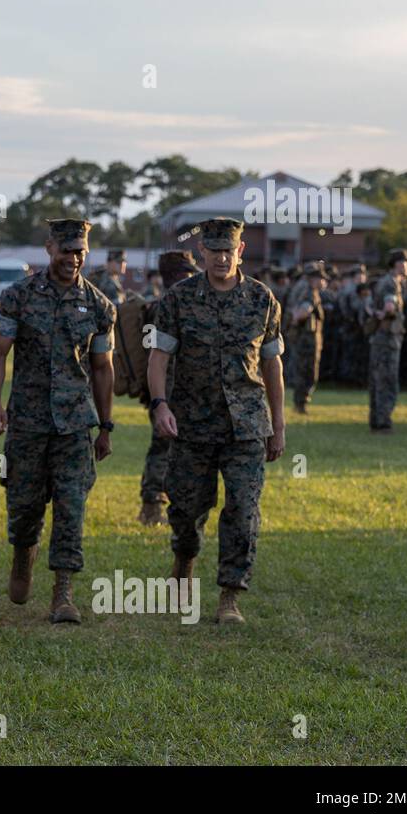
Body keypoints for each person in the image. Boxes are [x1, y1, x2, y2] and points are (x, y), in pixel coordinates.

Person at [147, 218, 286, 624]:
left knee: (243, 509)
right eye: (214, 251)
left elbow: (272, 366)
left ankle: (230, 596)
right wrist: (160, 404)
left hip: (246, 425)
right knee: (187, 509)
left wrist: (278, 425)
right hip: (192, 424)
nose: (222, 258)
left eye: (230, 250)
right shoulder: (179, 298)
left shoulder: (263, 300)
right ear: (202, 254)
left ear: (240, 252)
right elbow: (159, 358)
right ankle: (184, 558)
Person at [0, 219, 115, 624]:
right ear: (49, 249)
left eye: (80, 251)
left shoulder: (99, 306)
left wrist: (106, 425)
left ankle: (63, 593)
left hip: (75, 424)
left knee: (71, 506)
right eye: (66, 250)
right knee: (24, 506)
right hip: (27, 420)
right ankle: (23, 555)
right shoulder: (18, 296)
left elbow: (102, 369)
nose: (73, 259)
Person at [138, 250, 200, 526]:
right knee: (163, 447)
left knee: (181, 450)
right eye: (187, 274)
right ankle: (151, 506)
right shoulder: (163, 306)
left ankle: (174, 504)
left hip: (183, 390)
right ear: (176, 276)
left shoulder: (170, 303)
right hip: (166, 391)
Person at [366, 249, 407, 432]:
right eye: (406, 263)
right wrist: (386, 313)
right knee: (387, 381)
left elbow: (371, 307)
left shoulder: (385, 282)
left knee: (378, 379)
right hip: (387, 339)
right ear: (399, 264)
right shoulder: (391, 284)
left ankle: (376, 421)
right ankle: (383, 422)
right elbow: (389, 307)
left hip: (381, 338)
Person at [285, 261, 325, 414]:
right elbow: (303, 311)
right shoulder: (309, 291)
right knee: (308, 372)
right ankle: (301, 403)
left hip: (300, 336)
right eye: (321, 278)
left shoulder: (298, 287)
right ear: (313, 278)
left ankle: (299, 402)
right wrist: (298, 318)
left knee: (301, 369)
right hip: (307, 337)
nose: (323, 282)